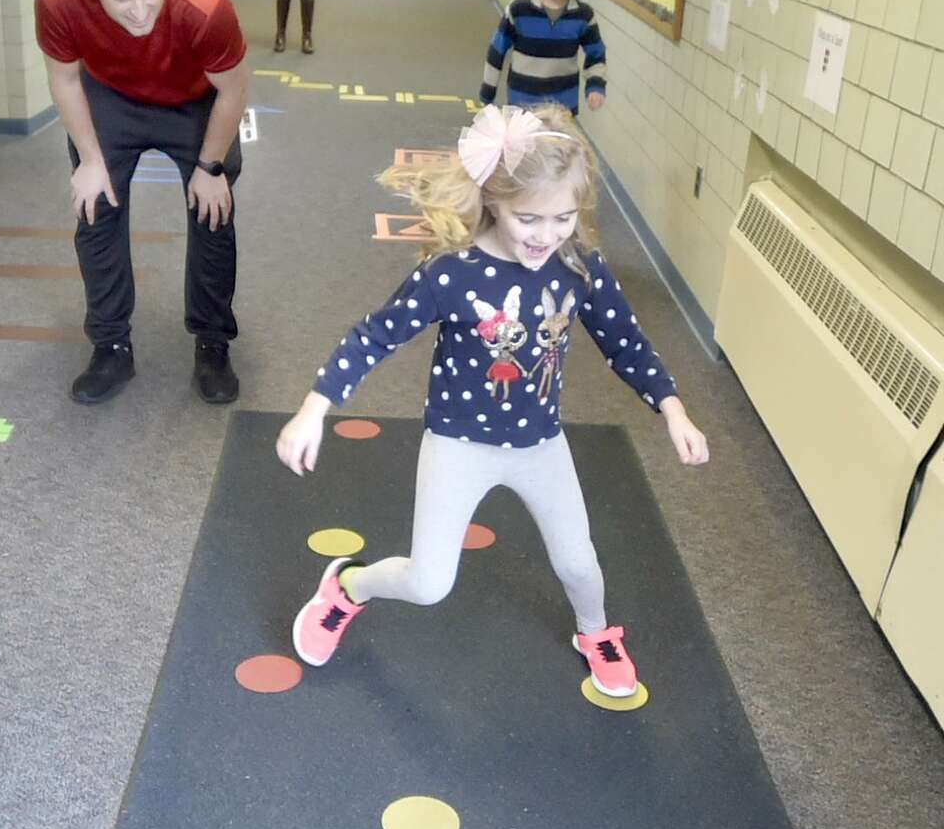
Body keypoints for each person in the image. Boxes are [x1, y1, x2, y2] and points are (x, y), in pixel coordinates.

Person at [276, 103, 708, 697]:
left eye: (563, 218)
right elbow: (374, 336)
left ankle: (596, 632)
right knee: (429, 583)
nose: (547, 236)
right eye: (529, 218)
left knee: (579, 562)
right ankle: (347, 587)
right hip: (458, 443)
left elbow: (627, 344)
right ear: (494, 200)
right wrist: (314, 407)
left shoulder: (579, 267)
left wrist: (673, 409)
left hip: (539, 445)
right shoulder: (451, 274)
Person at [34, 0, 248, 405]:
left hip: (194, 101)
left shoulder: (202, 3)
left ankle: (213, 342)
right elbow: (64, 79)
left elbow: (234, 89)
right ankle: (110, 345)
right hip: (111, 96)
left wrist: (211, 167)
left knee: (212, 211)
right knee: (96, 209)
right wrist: (90, 161)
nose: (140, 10)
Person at [479, 0, 607, 115]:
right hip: (522, 108)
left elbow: (596, 54)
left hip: (562, 111)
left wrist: (595, 86)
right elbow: (497, 52)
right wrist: (487, 95)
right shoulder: (518, 10)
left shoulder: (583, 15)